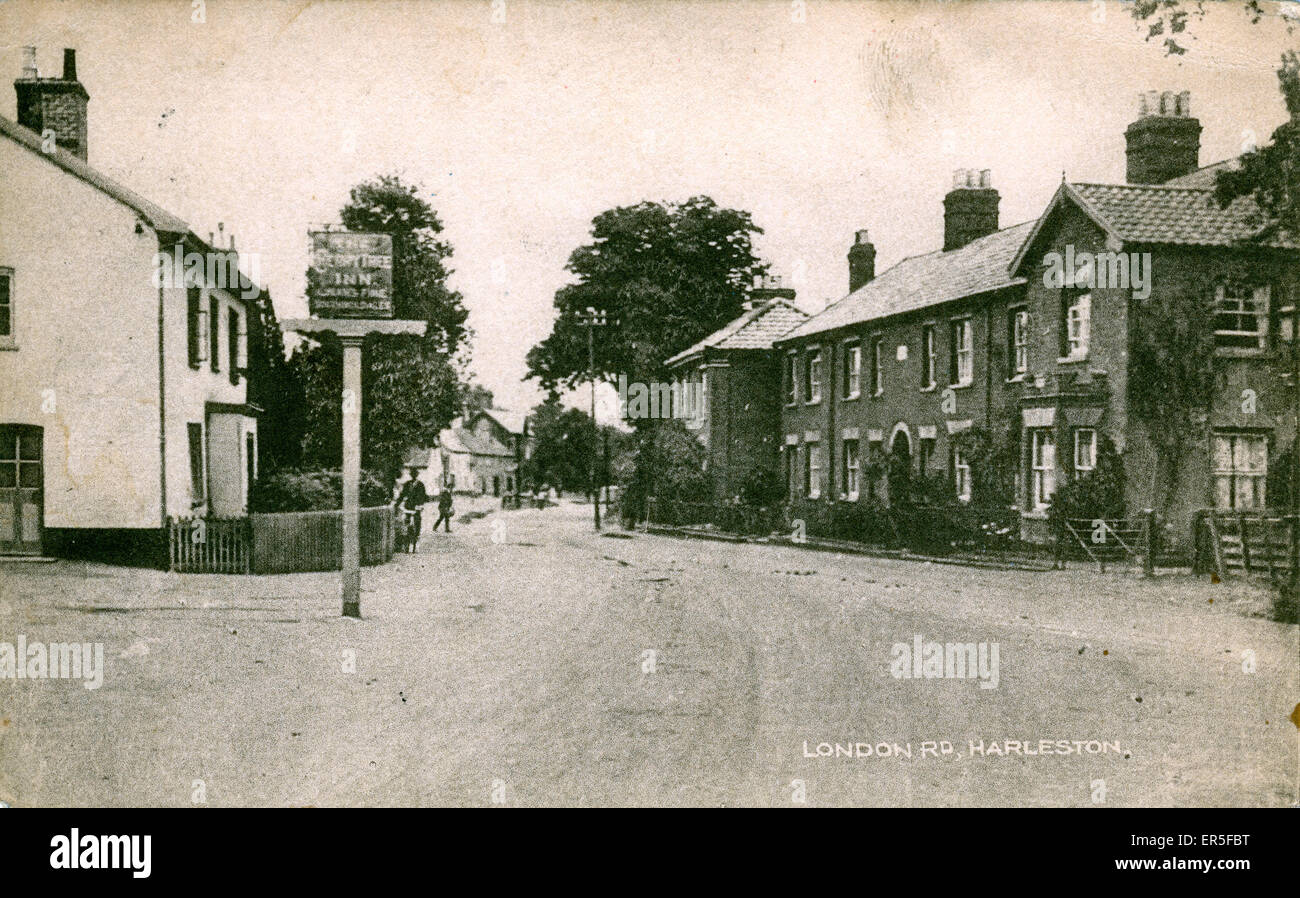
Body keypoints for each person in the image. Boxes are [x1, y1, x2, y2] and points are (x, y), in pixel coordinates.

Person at [397, 468, 429, 551]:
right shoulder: (407, 484)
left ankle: (416, 539)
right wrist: (397, 504)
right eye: (412, 474)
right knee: (407, 524)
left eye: (415, 474)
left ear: (417, 475)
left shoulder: (421, 485)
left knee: (417, 522)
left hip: (417, 507)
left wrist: (421, 504)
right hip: (408, 506)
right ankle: (407, 543)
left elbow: (424, 496)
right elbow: (402, 495)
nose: (414, 476)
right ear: (411, 475)